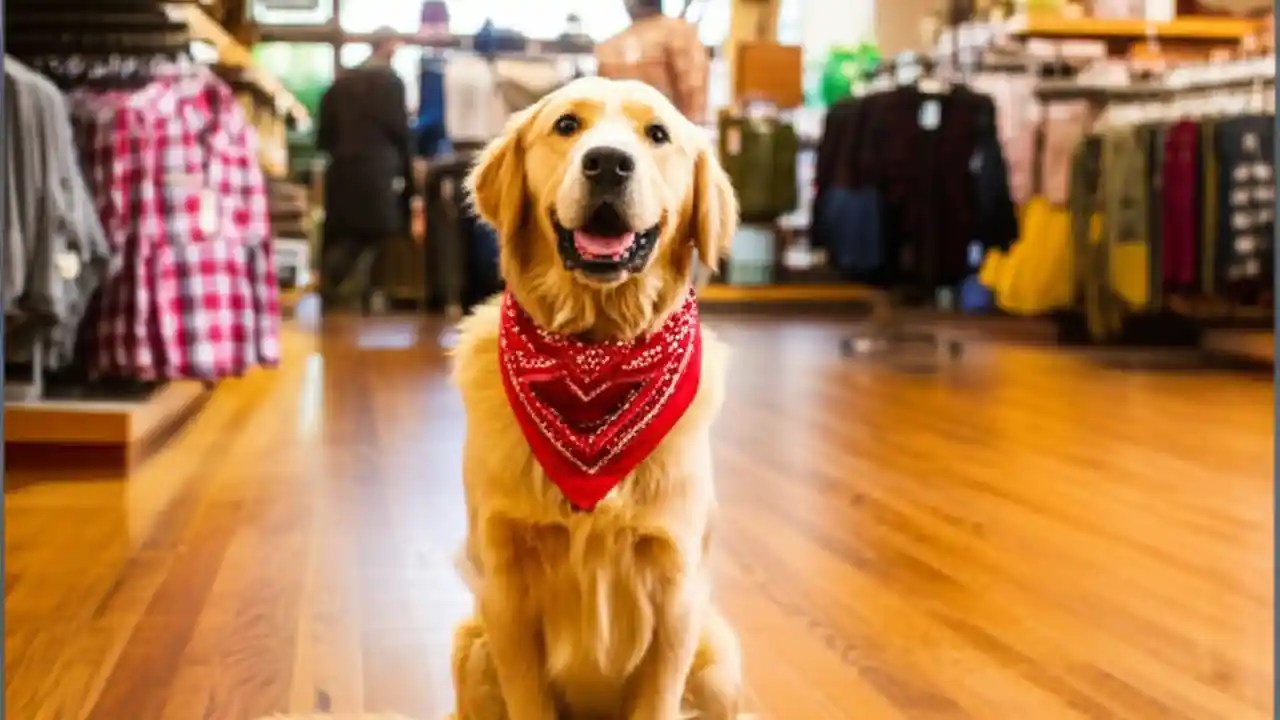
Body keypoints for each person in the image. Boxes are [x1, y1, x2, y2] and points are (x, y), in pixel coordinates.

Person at [316, 28, 416, 312]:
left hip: (342, 170)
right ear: (387, 47)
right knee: (371, 233)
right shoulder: (391, 84)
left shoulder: (339, 84)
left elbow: (323, 138)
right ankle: (348, 292)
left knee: (345, 233)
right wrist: (409, 182)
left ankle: (339, 292)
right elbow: (401, 135)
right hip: (378, 171)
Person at [595, 0, 708, 125]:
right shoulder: (679, 33)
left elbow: (692, 95)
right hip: (640, 133)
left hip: (649, 132)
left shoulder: (610, 45)